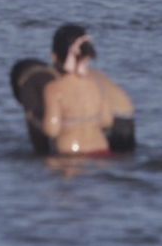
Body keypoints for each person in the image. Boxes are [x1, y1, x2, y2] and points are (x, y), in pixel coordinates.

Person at [39, 26, 135, 156]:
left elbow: (52, 130)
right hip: (101, 151)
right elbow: (106, 121)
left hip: (70, 156)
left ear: (55, 57)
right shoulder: (97, 83)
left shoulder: (54, 88)